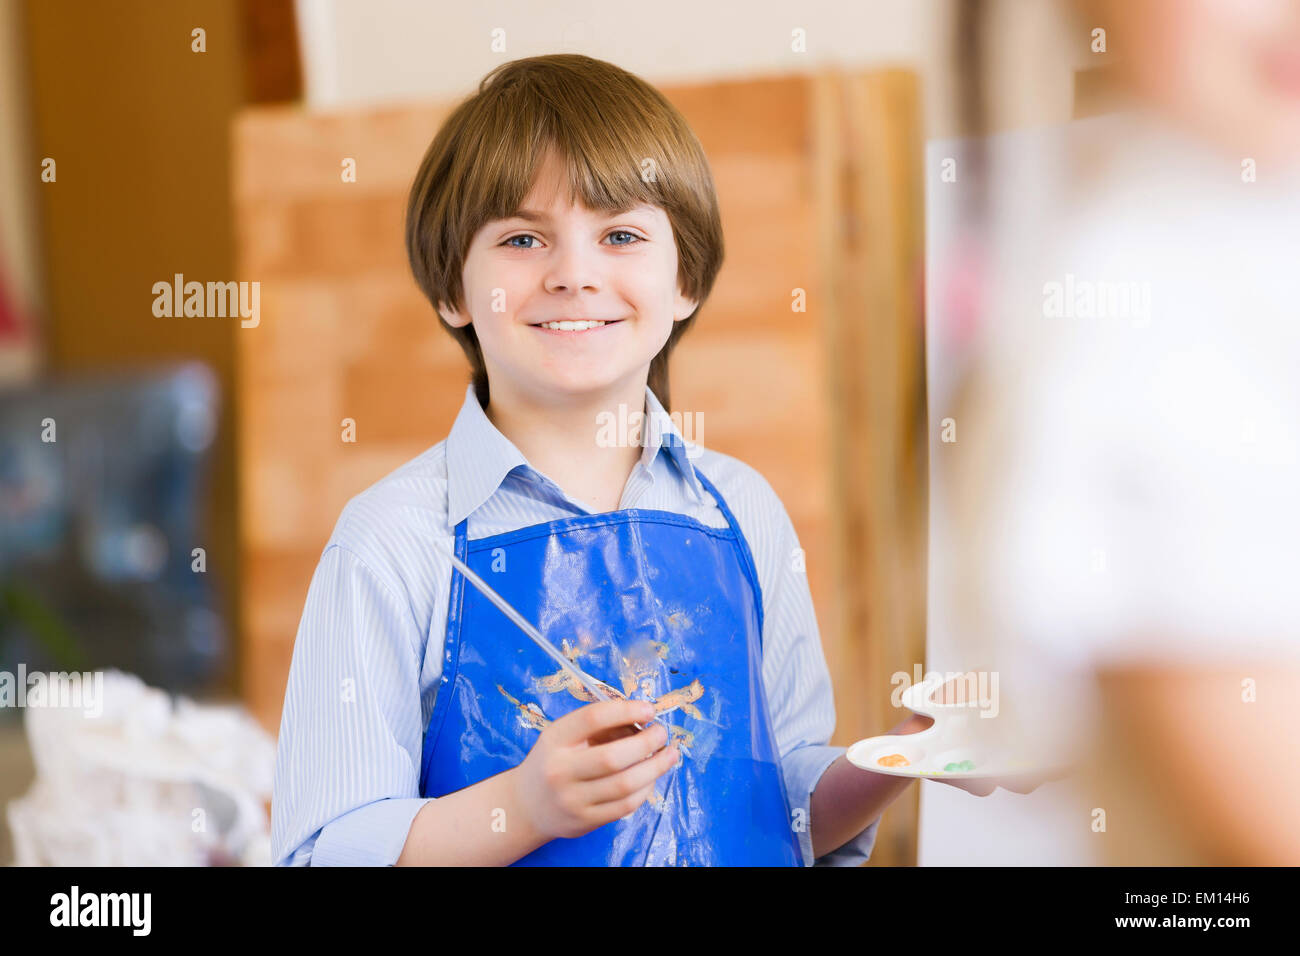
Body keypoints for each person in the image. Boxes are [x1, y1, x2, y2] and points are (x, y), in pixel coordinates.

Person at [271, 54, 1009, 867]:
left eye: (620, 235)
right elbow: (321, 853)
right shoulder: (391, 540)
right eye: (522, 238)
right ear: (452, 290)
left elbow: (780, 816)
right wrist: (522, 807)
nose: (574, 276)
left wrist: (902, 755)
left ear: (685, 278)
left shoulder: (741, 510)